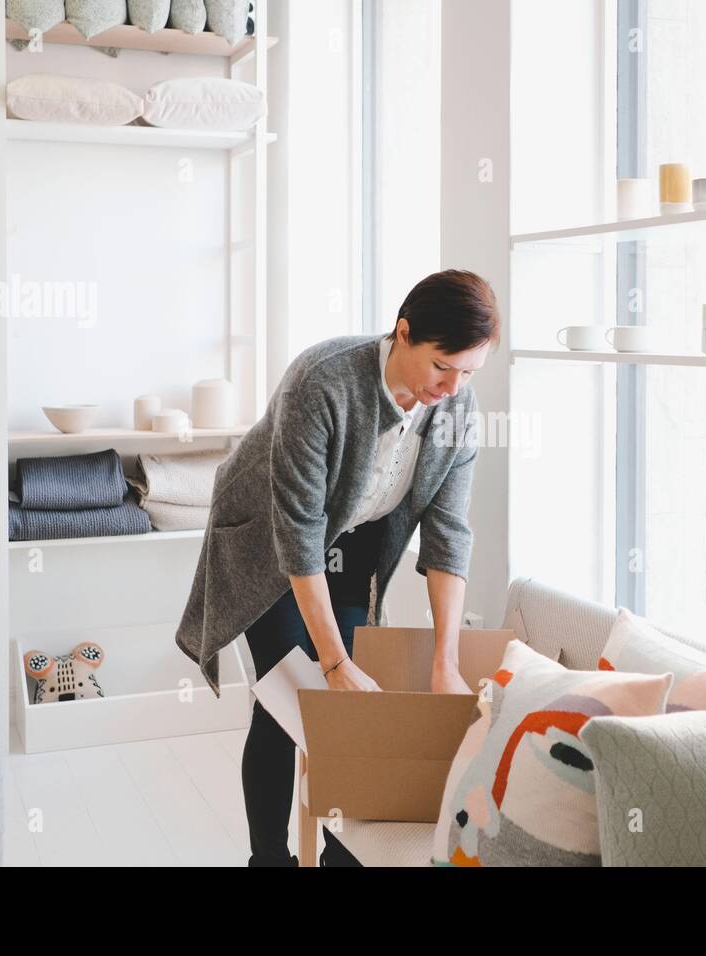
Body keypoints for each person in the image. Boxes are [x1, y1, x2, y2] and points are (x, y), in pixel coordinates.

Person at [173, 269, 499, 866]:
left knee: (350, 714)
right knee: (288, 704)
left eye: (469, 372)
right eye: (441, 366)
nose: (453, 387)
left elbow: (449, 535)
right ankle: (270, 860)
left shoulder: (456, 409)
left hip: (355, 545)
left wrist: (445, 661)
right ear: (403, 334)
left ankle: (342, 860)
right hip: (269, 542)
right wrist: (335, 662)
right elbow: (297, 533)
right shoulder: (322, 381)